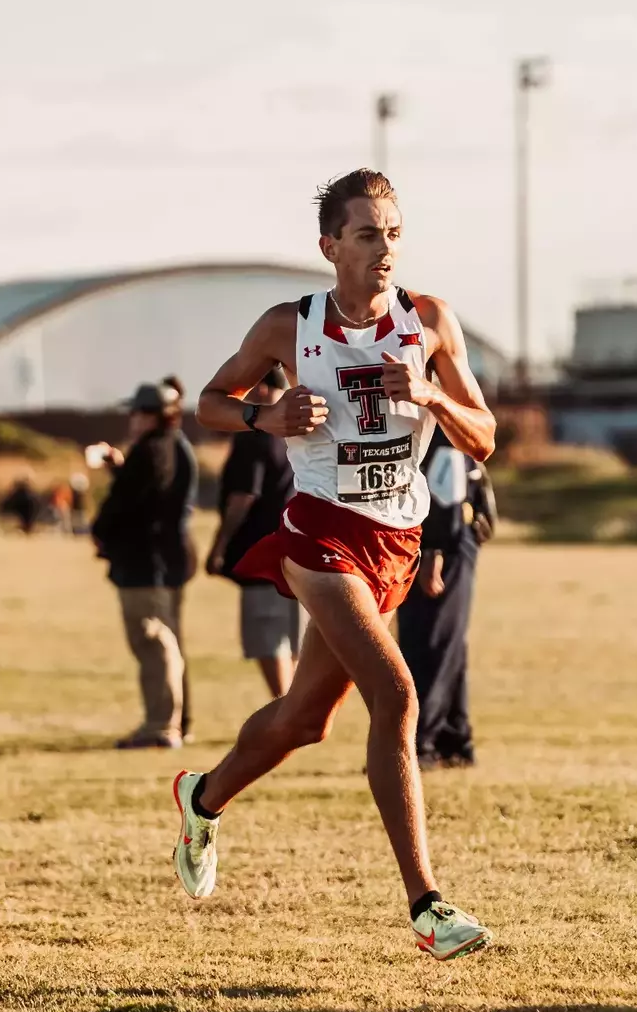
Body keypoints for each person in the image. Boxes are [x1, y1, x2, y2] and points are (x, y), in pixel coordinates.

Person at [175, 169, 497, 961]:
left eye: (393, 232)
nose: (385, 248)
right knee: (396, 693)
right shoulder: (291, 326)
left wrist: (431, 395)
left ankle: (202, 798)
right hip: (319, 532)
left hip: (396, 540)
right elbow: (209, 403)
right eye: (366, 234)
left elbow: (484, 437)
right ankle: (427, 907)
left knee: (303, 721)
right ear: (330, 247)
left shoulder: (431, 322)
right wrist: (266, 414)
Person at [91, 381, 198, 749]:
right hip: (161, 560)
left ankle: (161, 726)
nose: (132, 419)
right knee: (163, 641)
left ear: (151, 415)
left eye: (137, 412)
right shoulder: (173, 448)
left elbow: (129, 505)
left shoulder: (151, 451)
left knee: (152, 640)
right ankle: (173, 722)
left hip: (143, 562)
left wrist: (100, 531)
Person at [400, 426, 495, 771]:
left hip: (442, 543)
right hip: (449, 539)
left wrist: (433, 552)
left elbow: (446, 488)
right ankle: (454, 739)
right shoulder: (448, 409)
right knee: (446, 641)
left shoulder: (436, 412)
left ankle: (421, 744)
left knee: (428, 640)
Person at [208, 364, 303, 698]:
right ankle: (294, 708)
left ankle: (286, 711)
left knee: (268, 637)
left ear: (261, 390)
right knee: (293, 637)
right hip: (301, 547)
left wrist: (220, 546)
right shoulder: (299, 430)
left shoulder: (256, 434)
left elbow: (243, 495)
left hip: (261, 552)